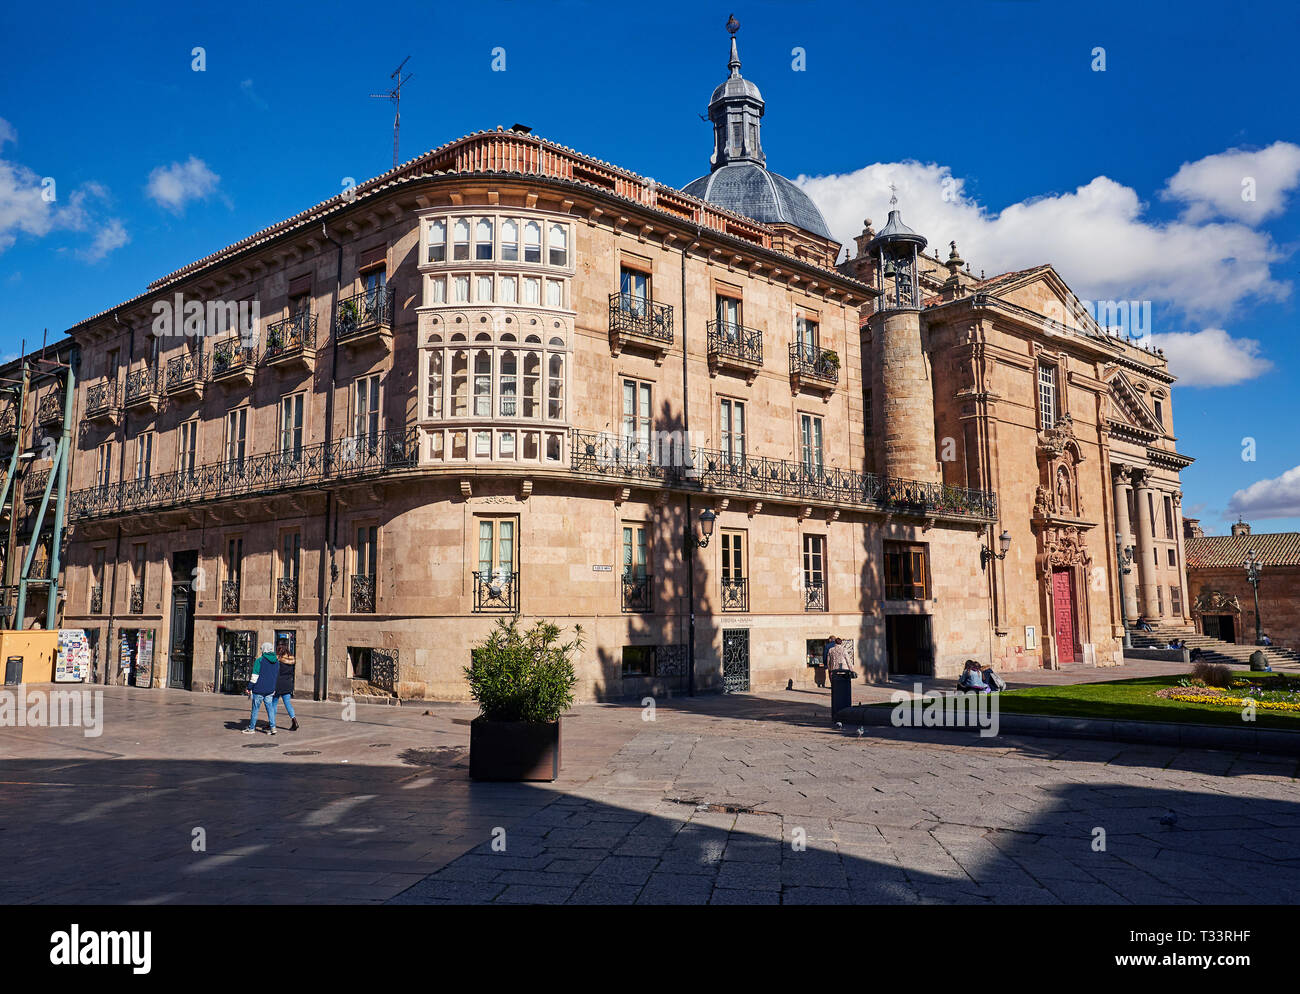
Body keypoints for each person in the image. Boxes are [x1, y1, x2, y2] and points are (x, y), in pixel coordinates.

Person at [243, 644, 281, 735]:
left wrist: (249, 687)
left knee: (255, 709)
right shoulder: (276, 661)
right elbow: (276, 676)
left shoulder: (259, 660)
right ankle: (273, 728)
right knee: (270, 709)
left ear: (264, 650)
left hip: (259, 689)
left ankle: (252, 728)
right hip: (270, 689)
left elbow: (255, 676)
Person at [274, 645, 300, 732]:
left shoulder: (278, 661)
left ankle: (272, 723)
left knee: (273, 704)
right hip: (288, 684)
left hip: (278, 685)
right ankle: (294, 721)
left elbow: (276, 674)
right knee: (288, 704)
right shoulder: (291, 661)